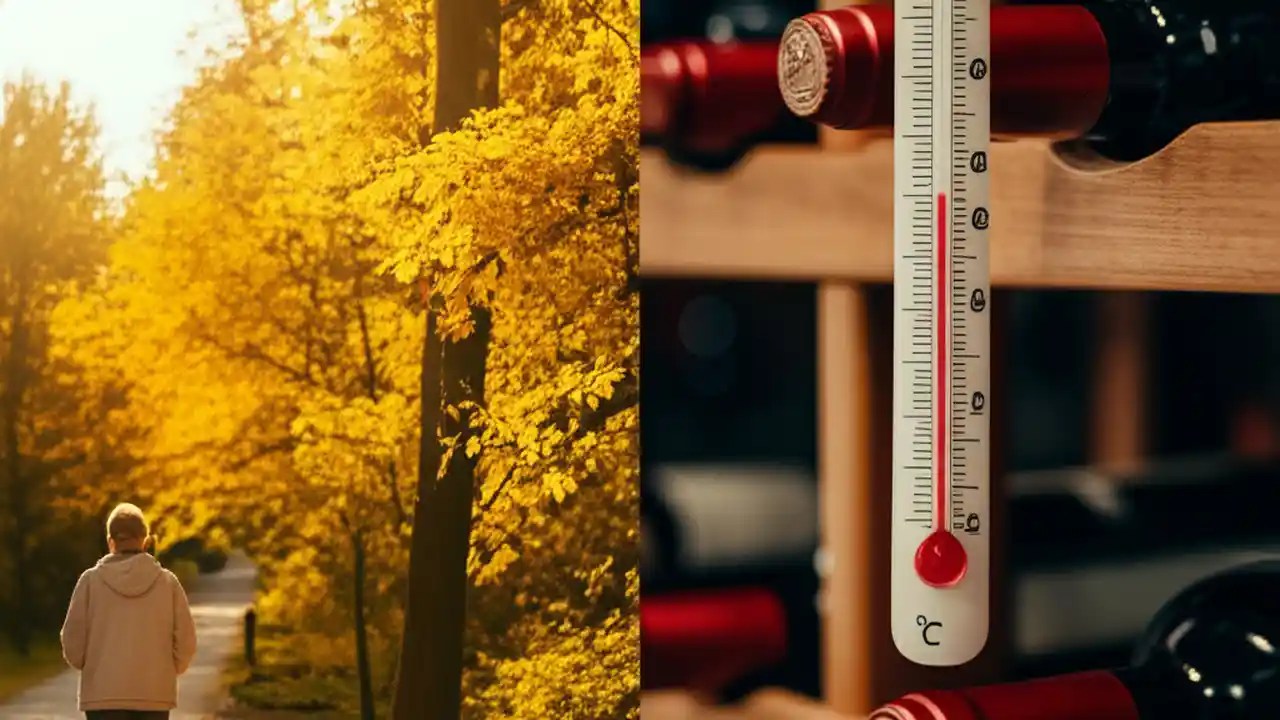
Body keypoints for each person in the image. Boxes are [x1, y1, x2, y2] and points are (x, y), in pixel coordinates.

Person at [60, 503, 198, 720]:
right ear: (145, 539)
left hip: (103, 695)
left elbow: (72, 641)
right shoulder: (167, 583)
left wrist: (91, 666)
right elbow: (187, 641)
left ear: (110, 541)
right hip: (154, 695)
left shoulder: (90, 582)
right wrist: (168, 670)